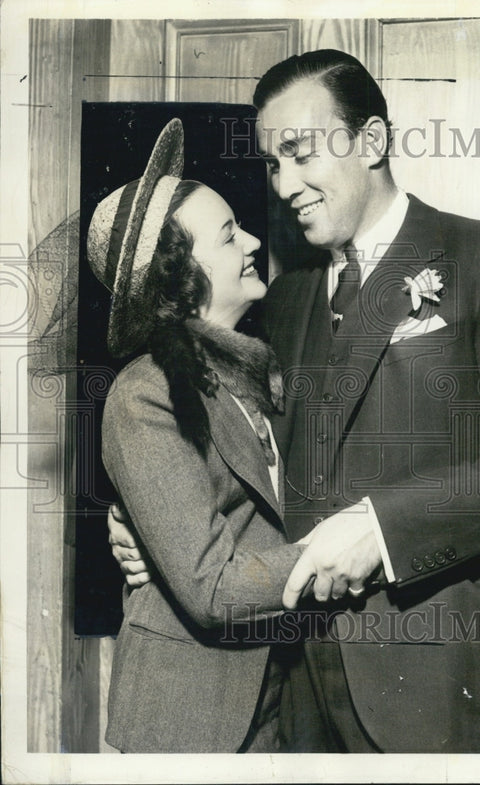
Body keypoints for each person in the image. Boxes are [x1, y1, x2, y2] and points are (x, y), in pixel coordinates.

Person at [109, 51, 480, 753]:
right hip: (300, 695)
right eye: (271, 162)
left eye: (299, 153)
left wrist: (382, 530)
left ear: (374, 141)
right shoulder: (285, 297)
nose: (284, 183)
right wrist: (146, 520)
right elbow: (238, 451)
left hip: (445, 695)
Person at [88, 118, 314, 753]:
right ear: (180, 276)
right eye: (228, 235)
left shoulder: (252, 364)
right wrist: (343, 551)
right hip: (188, 721)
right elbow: (210, 588)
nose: (250, 241)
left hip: (278, 700)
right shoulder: (145, 392)